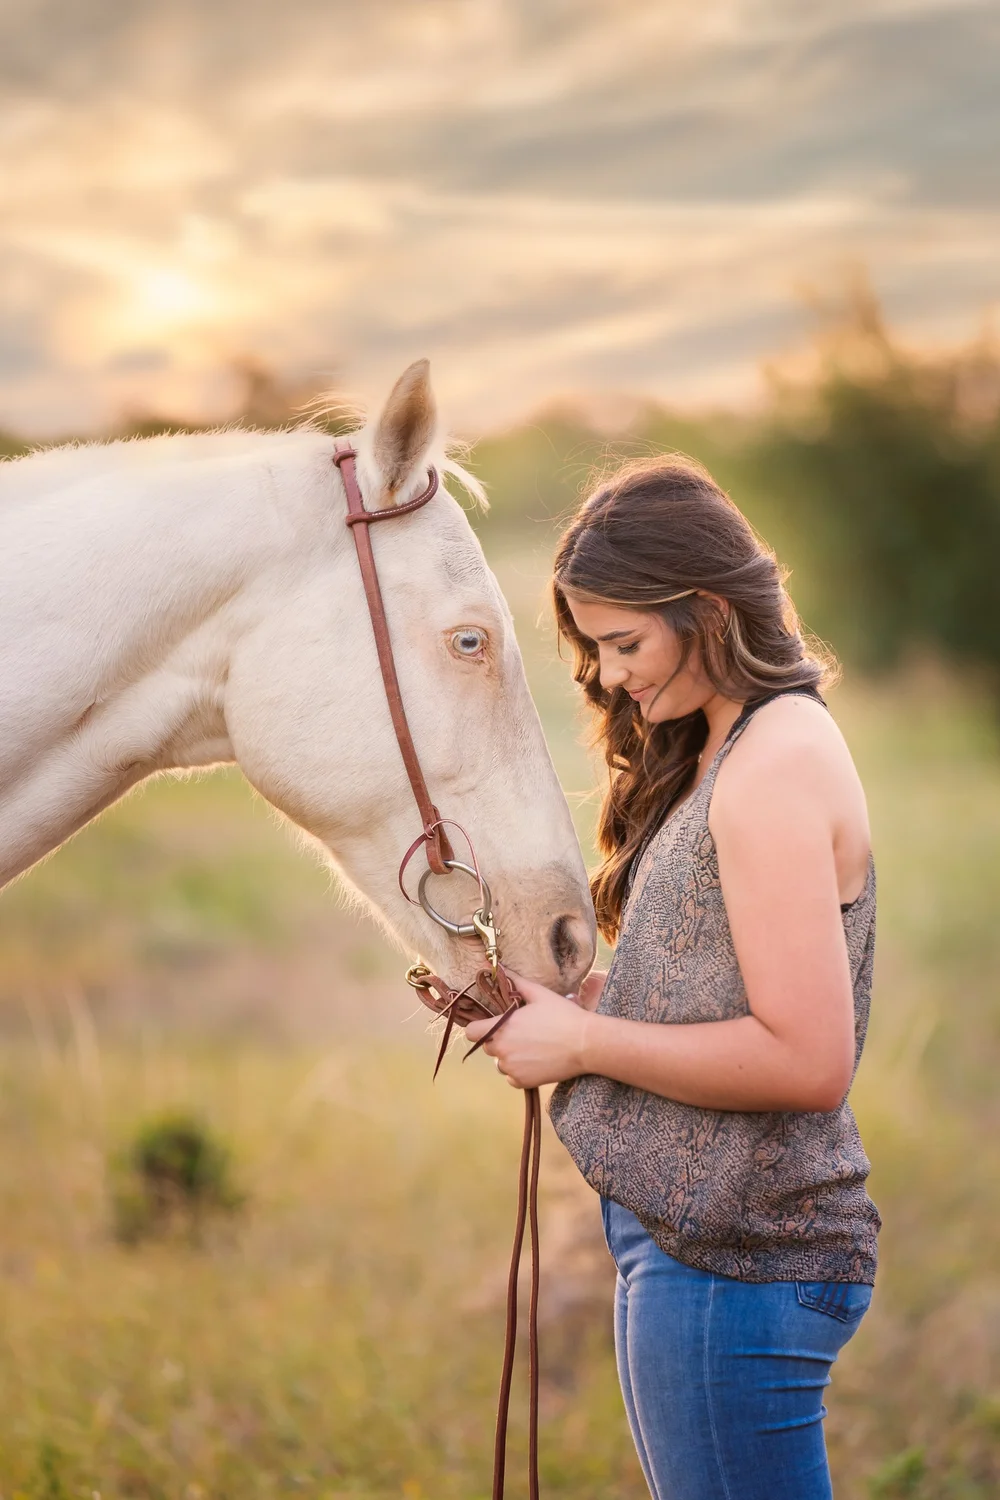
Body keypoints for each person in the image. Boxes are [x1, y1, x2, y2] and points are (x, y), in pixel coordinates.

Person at [464, 455, 880, 1500]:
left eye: (623, 643)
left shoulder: (772, 763)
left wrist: (587, 1044)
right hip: (699, 1250)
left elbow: (808, 1058)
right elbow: (730, 991)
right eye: (594, 650)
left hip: (736, 1263)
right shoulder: (723, 745)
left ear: (703, 609)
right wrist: (590, 1002)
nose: (608, 677)